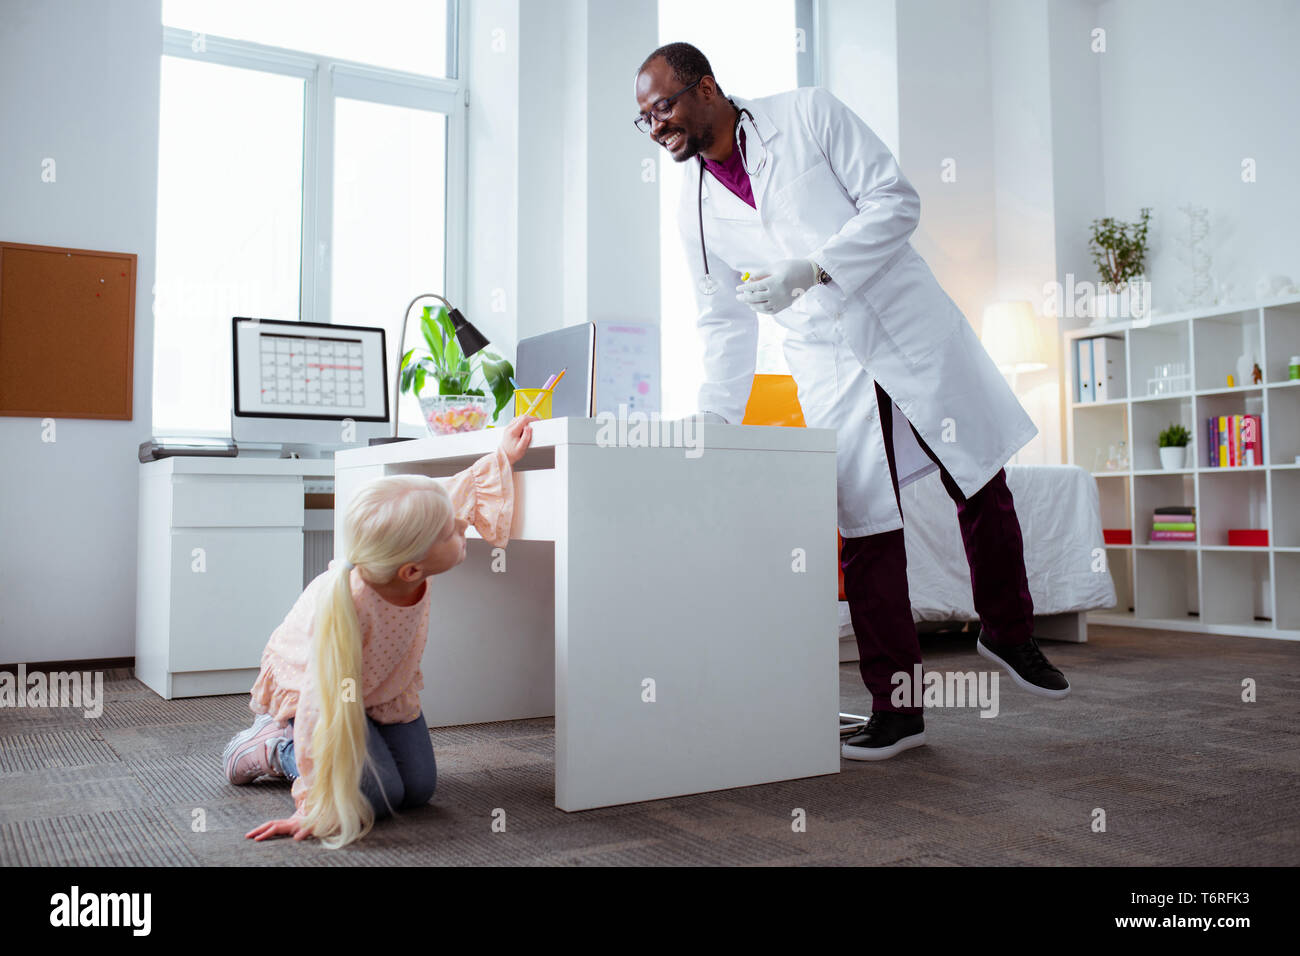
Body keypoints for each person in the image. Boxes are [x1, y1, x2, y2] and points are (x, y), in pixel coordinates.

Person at [634, 43, 1070, 762]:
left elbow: (895, 202)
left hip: (903, 322)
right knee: (867, 531)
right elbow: (722, 321)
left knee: (979, 475)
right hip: (826, 362)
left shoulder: (809, 113)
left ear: (706, 87)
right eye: (644, 118)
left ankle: (1009, 630)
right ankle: (897, 710)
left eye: (664, 106)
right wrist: (715, 424)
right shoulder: (696, 212)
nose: (656, 126)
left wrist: (814, 268)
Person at [222, 414, 538, 847]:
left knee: (418, 790)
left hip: (380, 686)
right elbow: (321, 704)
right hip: (325, 691)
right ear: (411, 569)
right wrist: (312, 803)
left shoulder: (410, 542)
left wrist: (503, 453)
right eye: (452, 530)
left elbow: (454, 495)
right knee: (376, 794)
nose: (461, 526)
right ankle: (275, 745)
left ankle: (357, 737)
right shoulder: (348, 605)